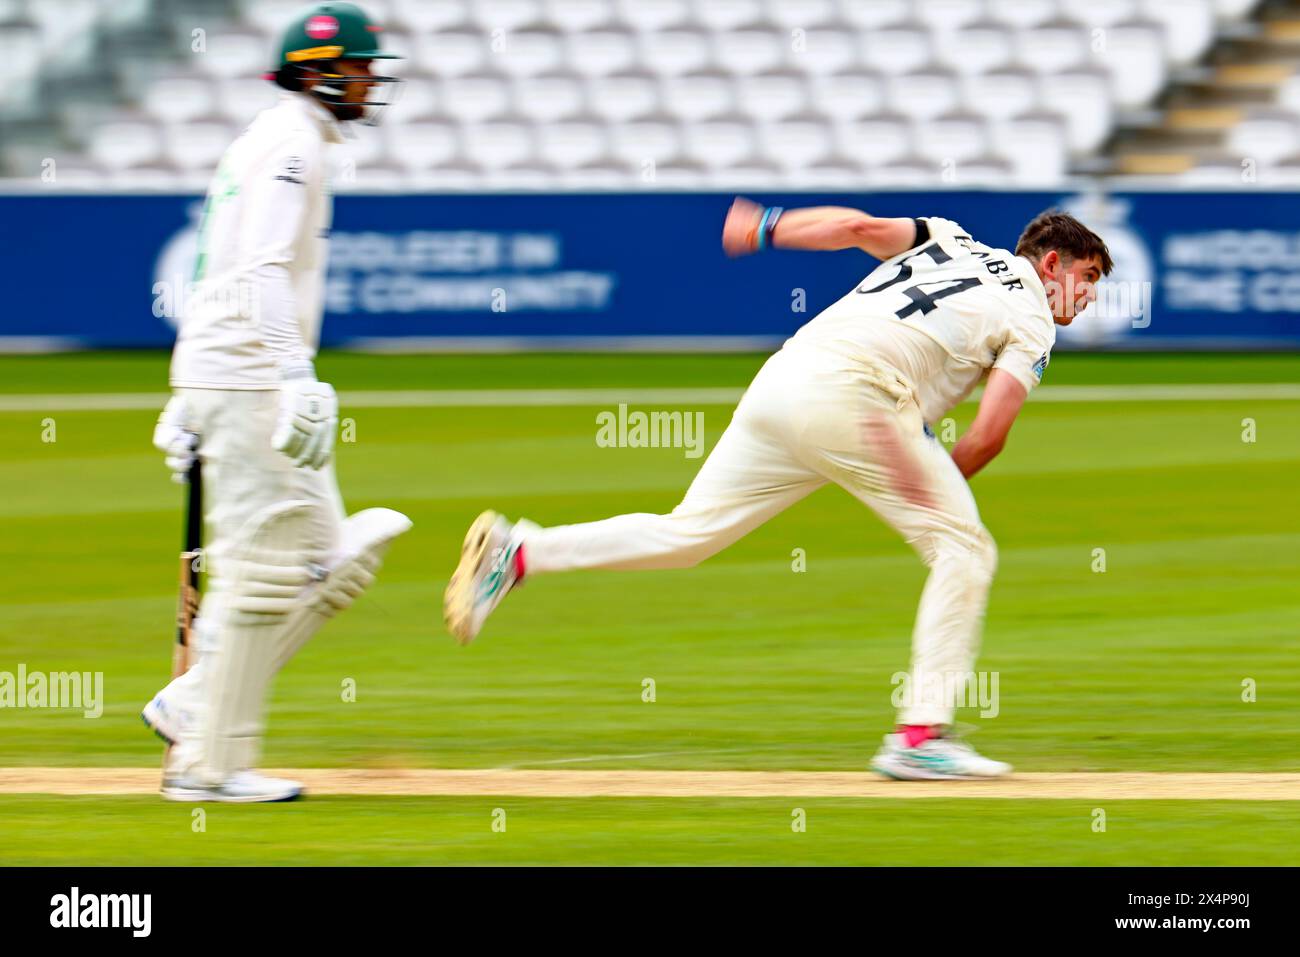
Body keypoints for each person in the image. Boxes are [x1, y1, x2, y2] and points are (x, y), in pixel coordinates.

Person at [443, 199, 1112, 780]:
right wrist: (925, 481)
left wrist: (767, 226)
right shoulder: (1030, 314)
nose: (1086, 297)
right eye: (1085, 278)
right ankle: (921, 738)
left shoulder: (948, 236)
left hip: (786, 377)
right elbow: (989, 434)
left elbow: (853, 225)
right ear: (1048, 263)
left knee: (690, 533)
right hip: (861, 402)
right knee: (964, 549)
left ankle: (519, 552)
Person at [145, 2, 410, 802]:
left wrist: (187, 386)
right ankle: (209, 764)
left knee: (338, 557)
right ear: (324, 74)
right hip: (251, 378)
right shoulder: (291, 144)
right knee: (269, 576)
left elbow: (213, 264)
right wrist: (291, 374)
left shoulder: (274, 137)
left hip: (229, 372)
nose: (370, 81)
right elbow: (256, 268)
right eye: (360, 68)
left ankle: (193, 704)